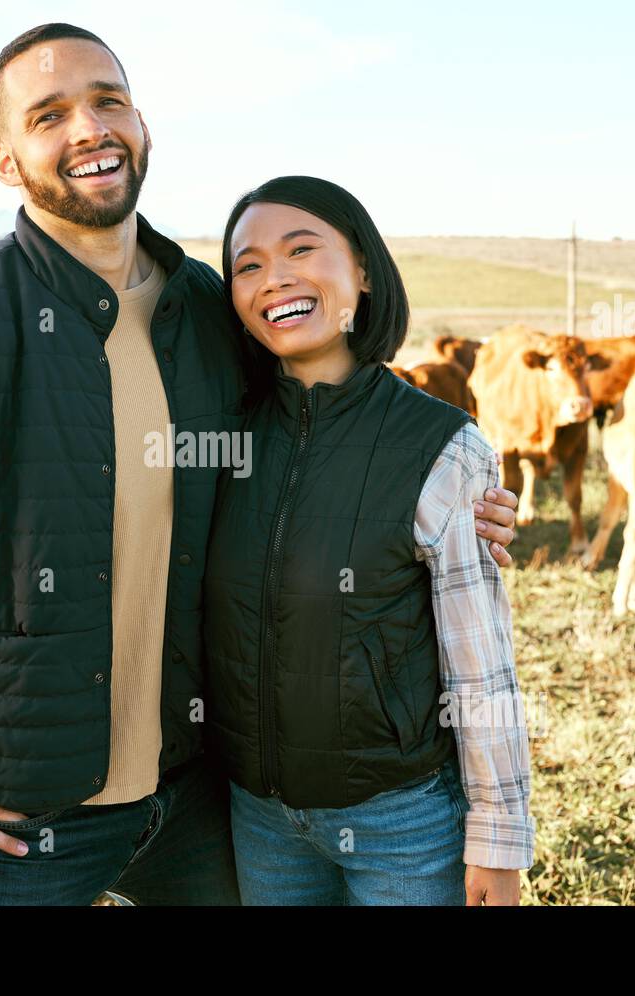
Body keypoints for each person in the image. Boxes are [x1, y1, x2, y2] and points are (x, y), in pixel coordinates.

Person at [0, 24, 520, 907]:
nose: (88, 129)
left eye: (108, 102)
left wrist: (451, 481)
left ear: (143, 128)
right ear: (5, 161)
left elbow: (327, 397)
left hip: (196, 806)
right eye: (49, 115)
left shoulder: (210, 314)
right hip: (9, 828)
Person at [202, 176, 535, 906]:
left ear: (363, 271)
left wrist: (500, 839)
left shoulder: (443, 446)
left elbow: (482, 664)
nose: (274, 277)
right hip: (259, 818)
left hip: (403, 822)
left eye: (301, 249)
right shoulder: (224, 439)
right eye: (248, 265)